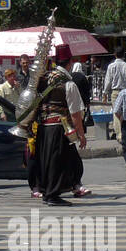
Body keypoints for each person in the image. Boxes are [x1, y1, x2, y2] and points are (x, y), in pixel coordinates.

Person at [34, 66, 88, 205]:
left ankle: (47, 193)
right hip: (59, 127)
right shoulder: (68, 84)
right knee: (56, 162)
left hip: (43, 127)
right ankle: (53, 195)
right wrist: (81, 135)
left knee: (45, 161)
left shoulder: (42, 80)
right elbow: (75, 113)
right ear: (69, 64)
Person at [103, 49, 126, 143]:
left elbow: (108, 80)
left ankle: (119, 135)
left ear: (114, 54)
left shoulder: (111, 66)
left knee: (116, 113)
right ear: (123, 54)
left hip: (115, 92)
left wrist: (105, 93)